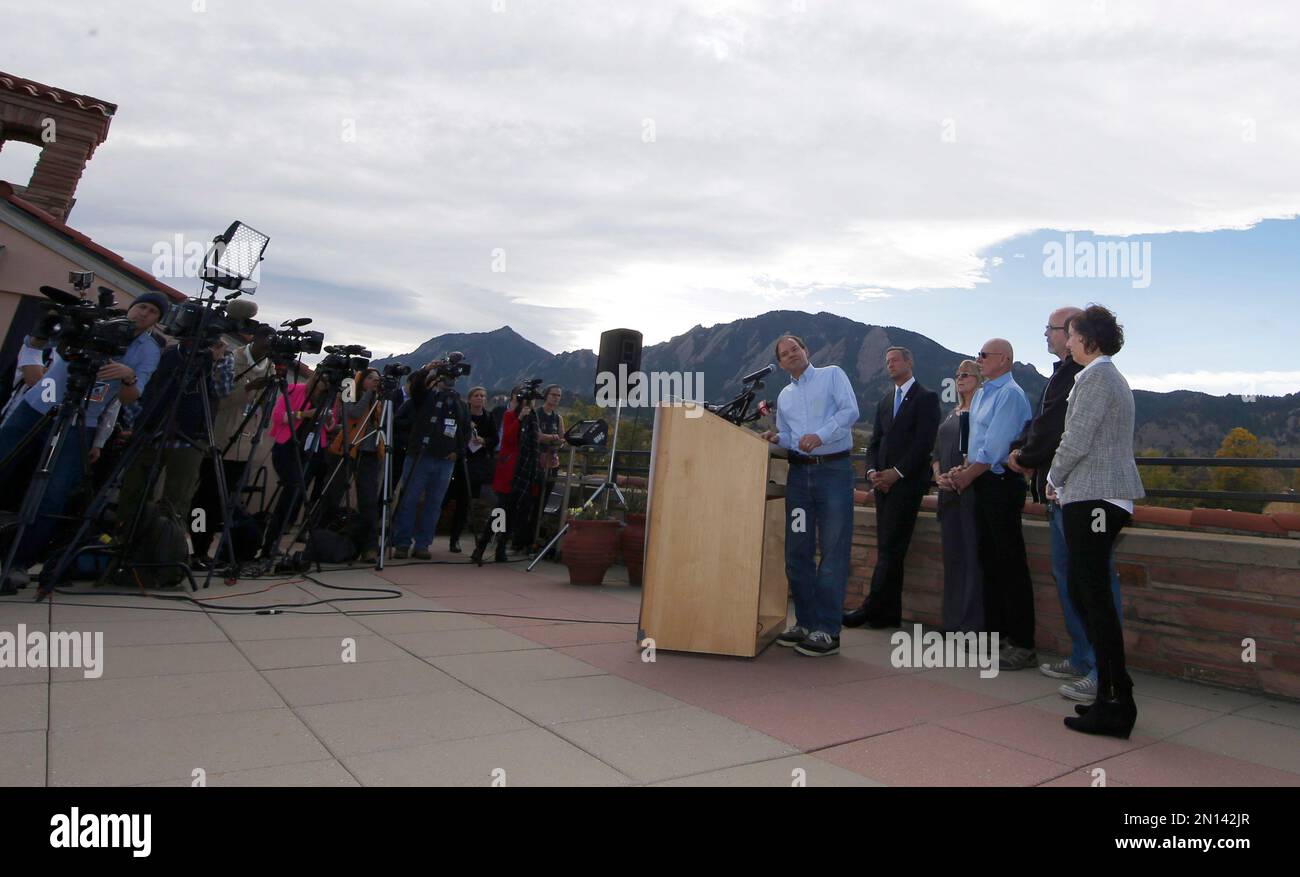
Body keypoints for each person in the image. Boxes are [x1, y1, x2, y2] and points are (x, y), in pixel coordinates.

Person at [0, 292, 165, 591]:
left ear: (157, 320)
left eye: (153, 312)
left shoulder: (149, 350)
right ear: (131, 306)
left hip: (84, 419)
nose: (144, 314)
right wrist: (40, 342)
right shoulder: (94, 323)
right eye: (142, 306)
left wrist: (128, 377)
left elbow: (130, 398)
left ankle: (18, 562)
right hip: (37, 407)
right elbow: (35, 346)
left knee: (54, 492)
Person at [1009, 306, 1119, 703]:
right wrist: (1022, 449)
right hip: (1066, 495)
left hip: (1084, 494)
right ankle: (1082, 657)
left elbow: (1065, 435)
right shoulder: (1065, 375)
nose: (1053, 336)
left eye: (1058, 331)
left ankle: (1100, 670)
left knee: (1092, 582)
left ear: (1082, 336)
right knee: (1070, 577)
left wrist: (1029, 461)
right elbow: (1042, 422)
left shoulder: (1090, 376)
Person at [1048, 306, 1145, 739]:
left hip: (1096, 499)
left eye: (1070, 335)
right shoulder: (1106, 376)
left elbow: (1077, 437)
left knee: (1095, 598)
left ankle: (1116, 703)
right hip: (1099, 497)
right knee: (1092, 596)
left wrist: (1053, 477)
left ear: (1088, 338)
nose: (1066, 343)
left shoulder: (1097, 377)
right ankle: (1111, 694)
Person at [762, 334, 859, 657]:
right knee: (797, 552)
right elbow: (790, 437)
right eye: (784, 354)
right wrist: (778, 438)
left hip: (833, 472)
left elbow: (849, 412)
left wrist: (821, 435)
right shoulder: (785, 396)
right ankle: (805, 622)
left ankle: (828, 630)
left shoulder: (833, 375)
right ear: (780, 363)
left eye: (795, 349)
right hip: (799, 478)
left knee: (832, 553)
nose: (791, 355)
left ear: (806, 351)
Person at [945, 338, 1035, 669]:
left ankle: (1023, 643)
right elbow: (978, 443)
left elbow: (997, 447)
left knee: (1010, 562)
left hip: (999, 484)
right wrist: (964, 468)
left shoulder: (1010, 394)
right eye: (978, 354)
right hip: (982, 482)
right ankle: (997, 635)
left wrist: (969, 475)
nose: (978, 359)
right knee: (990, 561)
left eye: (985, 355)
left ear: (1006, 360)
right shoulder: (983, 393)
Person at [843, 346, 940, 629]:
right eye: (887, 362)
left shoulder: (927, 398)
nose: (890, 365)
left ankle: (869, 608)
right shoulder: (886, 400)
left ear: (910, 362)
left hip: (907, 485)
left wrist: (896, 473)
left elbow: (924, 443)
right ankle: (888, 614)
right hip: (882, 485)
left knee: (889, 549)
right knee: (891, 549)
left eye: (895, 360)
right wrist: (872, 470)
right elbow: (875, 441)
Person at [115, 328, 237, 542]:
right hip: (152, 431)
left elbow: (222, 391)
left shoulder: (223, 357)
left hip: (191, 437)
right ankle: (124, 539)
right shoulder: (168, 354)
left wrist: (214, 361)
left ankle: (166, 546)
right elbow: (145, 390)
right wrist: (135, 423)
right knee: (133, 490)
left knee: (177, 499)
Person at [190, 329, 273, 564]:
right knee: (204, 499)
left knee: (226, 501)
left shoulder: (270, 367)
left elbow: (267, 406)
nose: (268, 346)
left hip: (244, 445)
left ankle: (226, 551)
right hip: (220, 438)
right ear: (254, 339)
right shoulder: (231, 359)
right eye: (265, 341)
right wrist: (248, 388)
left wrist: (267, 390)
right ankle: (197, 546)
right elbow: (219, 399)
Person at [390, 358, 470, 559]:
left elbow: (465, 431)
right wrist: (427, 369)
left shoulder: (459, 404)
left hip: (445, 461)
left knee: (434, 504)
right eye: (445, 378)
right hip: (420, 456)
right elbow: (416, 387)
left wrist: (458, 452)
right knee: (409, 500)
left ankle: (423, 544)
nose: (447, 382)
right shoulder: (425, 398)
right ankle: (401, 542)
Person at [932, 360, 984, 633]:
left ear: (978, 379)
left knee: (971, 558)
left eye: (966, 374)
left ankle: (971, 623)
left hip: (969, 493)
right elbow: (938, 451)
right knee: (952, 558)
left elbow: (975, 452)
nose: (960, 379)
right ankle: (951, 621)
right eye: (957, 375)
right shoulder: (952, 414)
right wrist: (938, 474)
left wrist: (960, 474)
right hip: (947, 494)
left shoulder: (980, 412)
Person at [260, 363, 326, 559]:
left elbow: (328, 426)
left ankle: (276, 541)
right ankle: (269, 542)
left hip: (311, 451)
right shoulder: (295, 390)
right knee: (291, 489)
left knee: (298, 493)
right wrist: (302, 414)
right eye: (322, 379)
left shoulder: (327, 399)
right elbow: (278, 416)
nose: (324, 384)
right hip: (287, 447)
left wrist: (328, 420)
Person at [323, 368, 385, 562]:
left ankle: (370, 546)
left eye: (377, 379)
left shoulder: (380, 400)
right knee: (333, 493)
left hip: (369, 454)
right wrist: (369, 394)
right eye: (370, 378)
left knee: (368, 501)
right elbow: (353, 413)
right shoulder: (348, 388)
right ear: (360, 379)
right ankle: (322, 535)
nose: (375, 382)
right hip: (346, 450)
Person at [472, 385, 530, 564]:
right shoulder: (508, 415)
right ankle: (482, 546)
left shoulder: (531, 418)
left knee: (513, 510)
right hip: (507, 466)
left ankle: (501, 546)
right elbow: (509, 438)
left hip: (522, 468)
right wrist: (519, 418)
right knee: (501, 508)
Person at [441, 386, 497, 553]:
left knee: (464, 503)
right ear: (470, 398)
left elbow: (495, 438)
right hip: (458, 460)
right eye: (477, 395)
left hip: (475, 464)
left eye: (483, 396)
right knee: (444, 499)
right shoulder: (461, 414)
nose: (480, 398)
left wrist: (484, 441)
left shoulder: (488, 417)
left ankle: (455, 538)